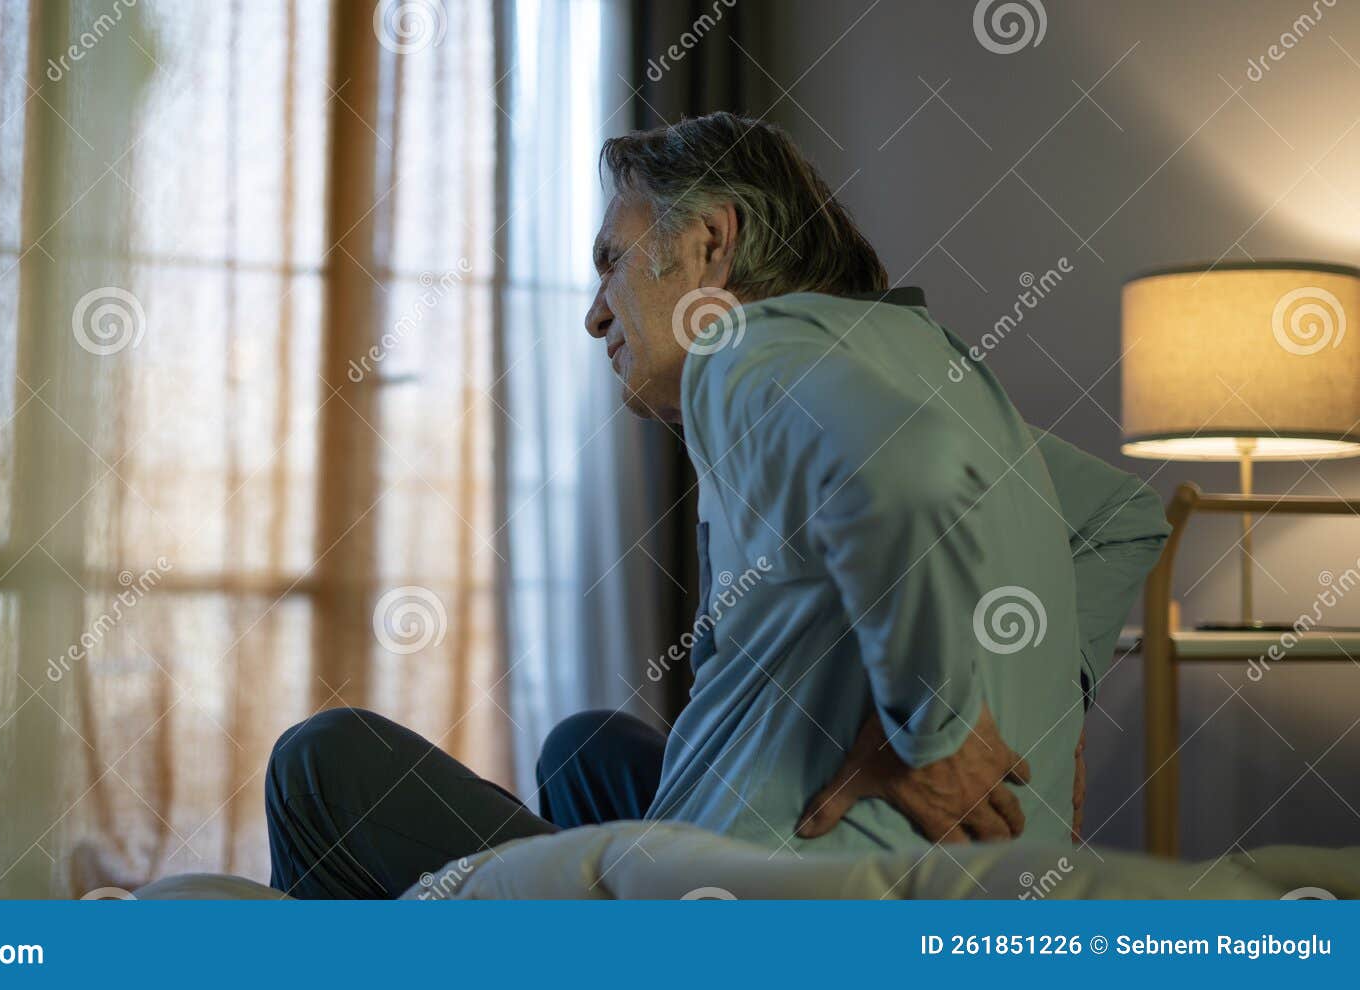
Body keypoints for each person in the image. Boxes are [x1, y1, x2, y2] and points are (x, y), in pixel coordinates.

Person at [263, 112, 1169, 899]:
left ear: (709, 245)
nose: (594, 315)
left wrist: (934, 732)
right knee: (584, 748)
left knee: (320, 762)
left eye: (610, 262)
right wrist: (1048, 722)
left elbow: (909, 471)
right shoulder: (918, 356)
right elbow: (1122, 515)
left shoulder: (743, 351)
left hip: (759, 894)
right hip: (859, 863)